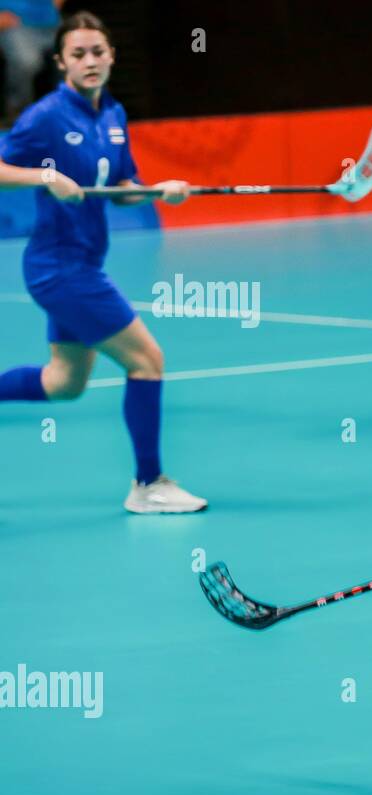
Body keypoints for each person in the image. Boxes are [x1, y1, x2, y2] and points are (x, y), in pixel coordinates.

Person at [0, 10, 206, 513]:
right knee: (147, 361)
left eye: (98, 52)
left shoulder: (112, 114)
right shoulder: (46, 116)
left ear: (111, 56)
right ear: (61, 62)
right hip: (59, 269)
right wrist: (44, 179)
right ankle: (148, 485)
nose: (90, 61)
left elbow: (122, 191)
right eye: (78, 54)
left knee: (63, 383)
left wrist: (160, 192)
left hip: (84, 264)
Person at [0, 0, 61, 123]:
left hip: (52, 24)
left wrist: (53, 7)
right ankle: (19, 112)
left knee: (75, 60)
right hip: (15, 26)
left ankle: (75, 111)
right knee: (26, 62)